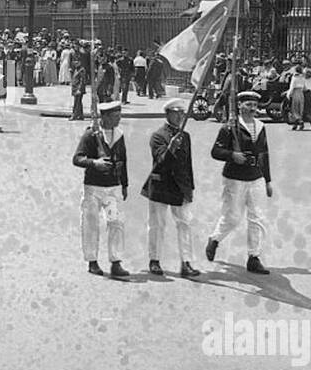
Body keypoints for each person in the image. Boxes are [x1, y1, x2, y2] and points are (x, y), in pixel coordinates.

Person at [205, 90, 273, 275]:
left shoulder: (260, 126)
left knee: (257, 218)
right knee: (233, 217)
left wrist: (267, 180)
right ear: (239, 106)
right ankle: (214, 239)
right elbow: (215, 152)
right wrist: (232, 155)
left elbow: (264, 154)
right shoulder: (230, 127)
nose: (252, 108)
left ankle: (254, 257)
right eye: (248, 105)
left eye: (255, 105)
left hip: (256, 177)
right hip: (235, 178)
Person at [142, 98, 200, 279]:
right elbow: (161, 161)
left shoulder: (185, 136)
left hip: (180, 186)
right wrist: (171, 148)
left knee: (185, 224)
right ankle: (154, 260)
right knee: (157, 225)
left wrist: (190, 187)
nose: (180, 116)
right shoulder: (158, 136)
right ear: (167, 114)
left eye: (182, 113)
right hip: (161, 185)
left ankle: (186, 262)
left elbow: (187, 164)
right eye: (176, 113)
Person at [73, 100, 130, 279]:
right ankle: (92, 261)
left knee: (116, 223)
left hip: (113, 187)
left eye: (119, 115)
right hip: (94, 187)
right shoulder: (91, 134)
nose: (118, 119)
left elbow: (123, 160)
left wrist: (124, 184)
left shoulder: (119, 135)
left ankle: (116, 261)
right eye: (115, 116)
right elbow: (77, 158)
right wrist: (94, 163)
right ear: (105, 117)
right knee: (91, 224)